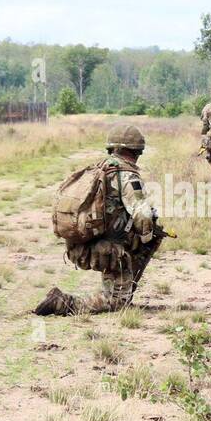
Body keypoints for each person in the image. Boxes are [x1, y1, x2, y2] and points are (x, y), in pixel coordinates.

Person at [35, 124, 164, 316]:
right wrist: (146, 238)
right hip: (111, 250)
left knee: (121, 295)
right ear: (136, 151)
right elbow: (143, 215)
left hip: (83, 244)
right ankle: (63, 303)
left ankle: (122, 291)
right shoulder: (128, 176)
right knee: (117, 302)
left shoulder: (98, 169)